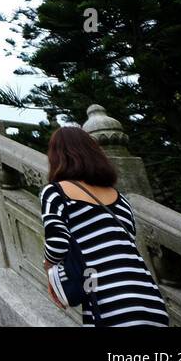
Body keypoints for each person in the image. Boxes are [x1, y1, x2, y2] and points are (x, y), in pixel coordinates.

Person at [40, 126, 169, 327]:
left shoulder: (56, 192)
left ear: (56, 156)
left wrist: (49, 270)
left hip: (109, 304)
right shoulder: (121, 199)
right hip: (151, 302)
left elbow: (57, 241)